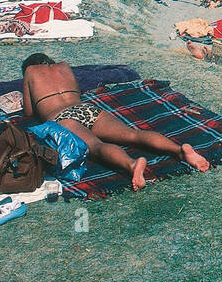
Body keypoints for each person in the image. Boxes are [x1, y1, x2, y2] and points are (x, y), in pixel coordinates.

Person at [21, 54, 211, 191]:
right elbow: (76, 92)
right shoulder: (63, 65)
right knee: (132, 134)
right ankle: (180, 150)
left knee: (95, 146)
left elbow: (29, 111)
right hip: (86, 108)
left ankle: (131, 164)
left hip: (63, 116)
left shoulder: (30, 71)